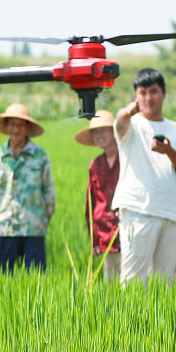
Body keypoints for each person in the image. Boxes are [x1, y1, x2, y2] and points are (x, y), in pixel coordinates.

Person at [112, 68, 176, 286]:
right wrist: (127, 111)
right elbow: (119, 123)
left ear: (164, 93)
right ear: (136, 96)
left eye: (154, 91)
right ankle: (129, 322)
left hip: (170, 215)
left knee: (164, 284)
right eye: (143, 92)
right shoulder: (132, 125)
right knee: (133, 282)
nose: (149, 98)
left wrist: (168, 151)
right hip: (138, 212)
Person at [0, 102, 56, 272]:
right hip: (3, 227)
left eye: (20, 124)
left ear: (27, 127)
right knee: (0, 284)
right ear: (6, 127)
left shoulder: (40, 156)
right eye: (11, 124)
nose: (15, 129)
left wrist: (41, 220)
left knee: (36, 284)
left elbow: (49, 192)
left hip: (32, 227)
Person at [74, 110, 120, 281]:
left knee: (133, 288)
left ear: (114, 132)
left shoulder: (128, 159)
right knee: (111, 287)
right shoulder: (95, 165)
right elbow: (90, 204)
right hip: (105, 234)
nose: (99, 135)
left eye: (103, 130)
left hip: (128, 232)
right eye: (95, 132)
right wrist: (94, 240)